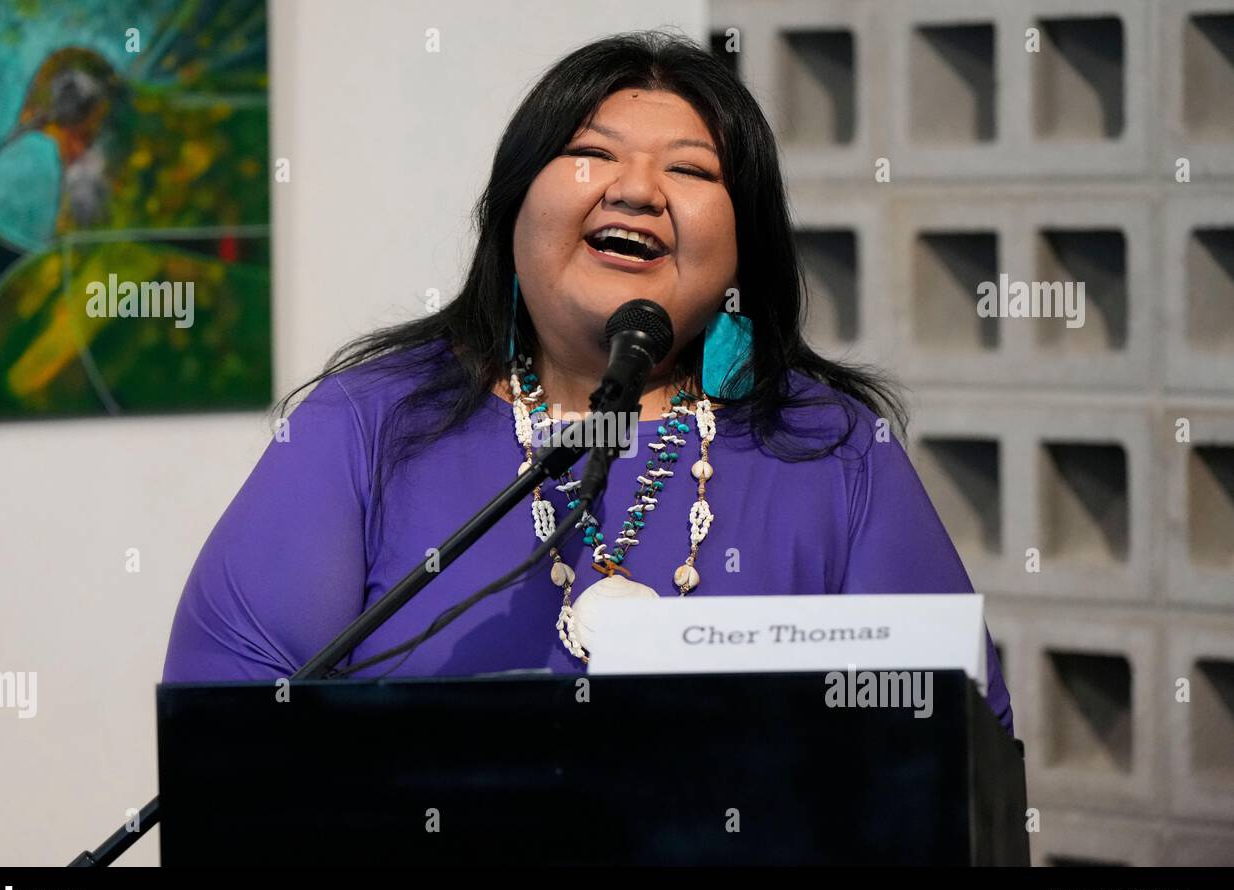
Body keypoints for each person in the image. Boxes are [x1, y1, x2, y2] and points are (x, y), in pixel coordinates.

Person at [162, 31, 1013, 735]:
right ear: (513, 208)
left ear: (743, 244)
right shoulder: (364, 427)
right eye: (589, 154)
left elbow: (954, 757)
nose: (638, 189)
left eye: (691, 170)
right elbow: (231, 749)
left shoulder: (836, 453)